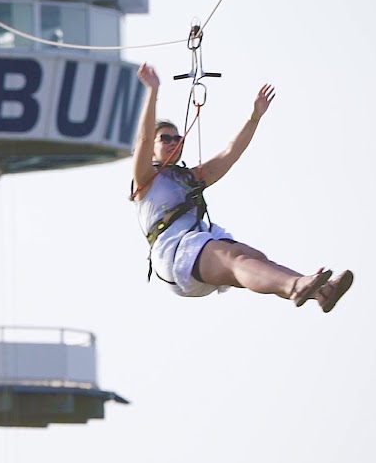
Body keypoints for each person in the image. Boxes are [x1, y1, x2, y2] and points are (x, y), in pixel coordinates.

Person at [131, 64, 353, 311]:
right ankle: (296, 285)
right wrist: (153, 91)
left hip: (200, 249)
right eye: (165, 139)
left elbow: (230, 153)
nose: (174, 142)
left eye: (177, 138)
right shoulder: (145, 179)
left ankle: (320, 292)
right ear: (153, 147)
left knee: (254, 257)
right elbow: (144, 139)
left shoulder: (190, 177)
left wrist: (254, 117)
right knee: (232, 258)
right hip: (176, 256)